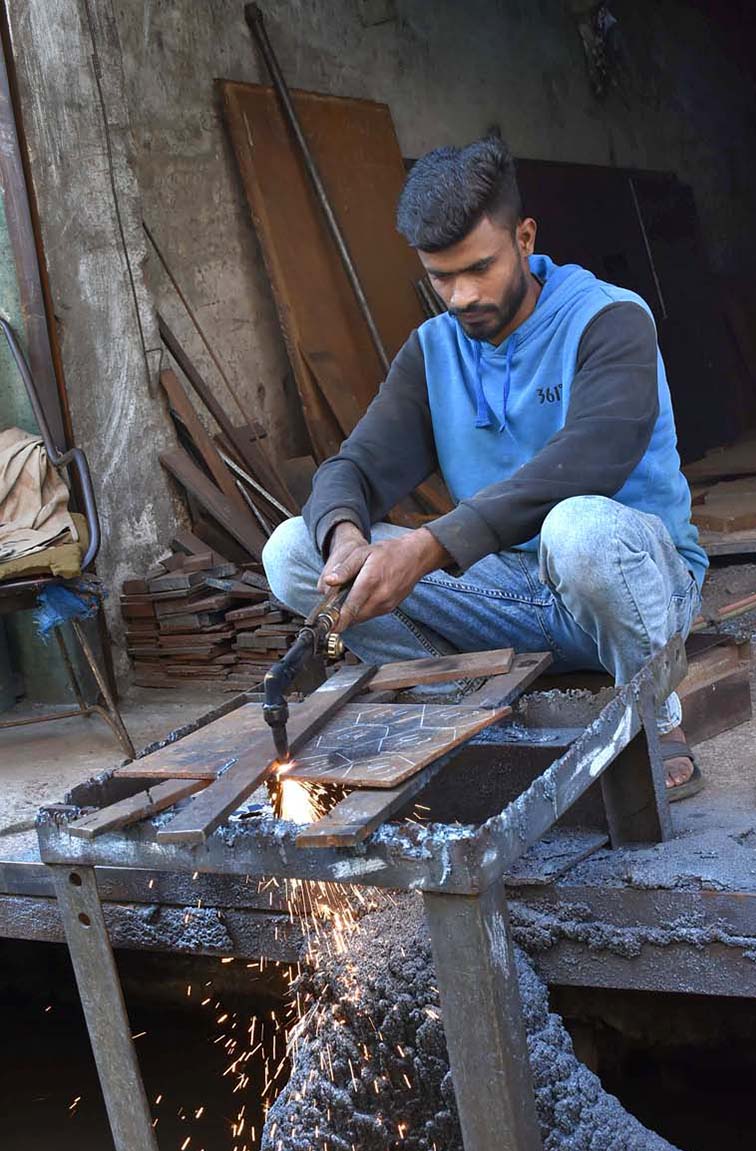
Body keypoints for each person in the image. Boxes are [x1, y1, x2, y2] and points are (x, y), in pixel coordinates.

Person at [263, 136, 708, 799]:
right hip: (507, 598)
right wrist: (346, 537)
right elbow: (353, 466)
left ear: (524, 238)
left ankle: (655, 718)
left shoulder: (609, 319)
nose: (462, 295)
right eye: (441, 277)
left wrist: (428, 547)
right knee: (293, 550)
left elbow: (592, 459)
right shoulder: (434, 351)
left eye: (479, 268)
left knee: (578, 529)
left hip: (631, 584)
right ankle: (467, 706)